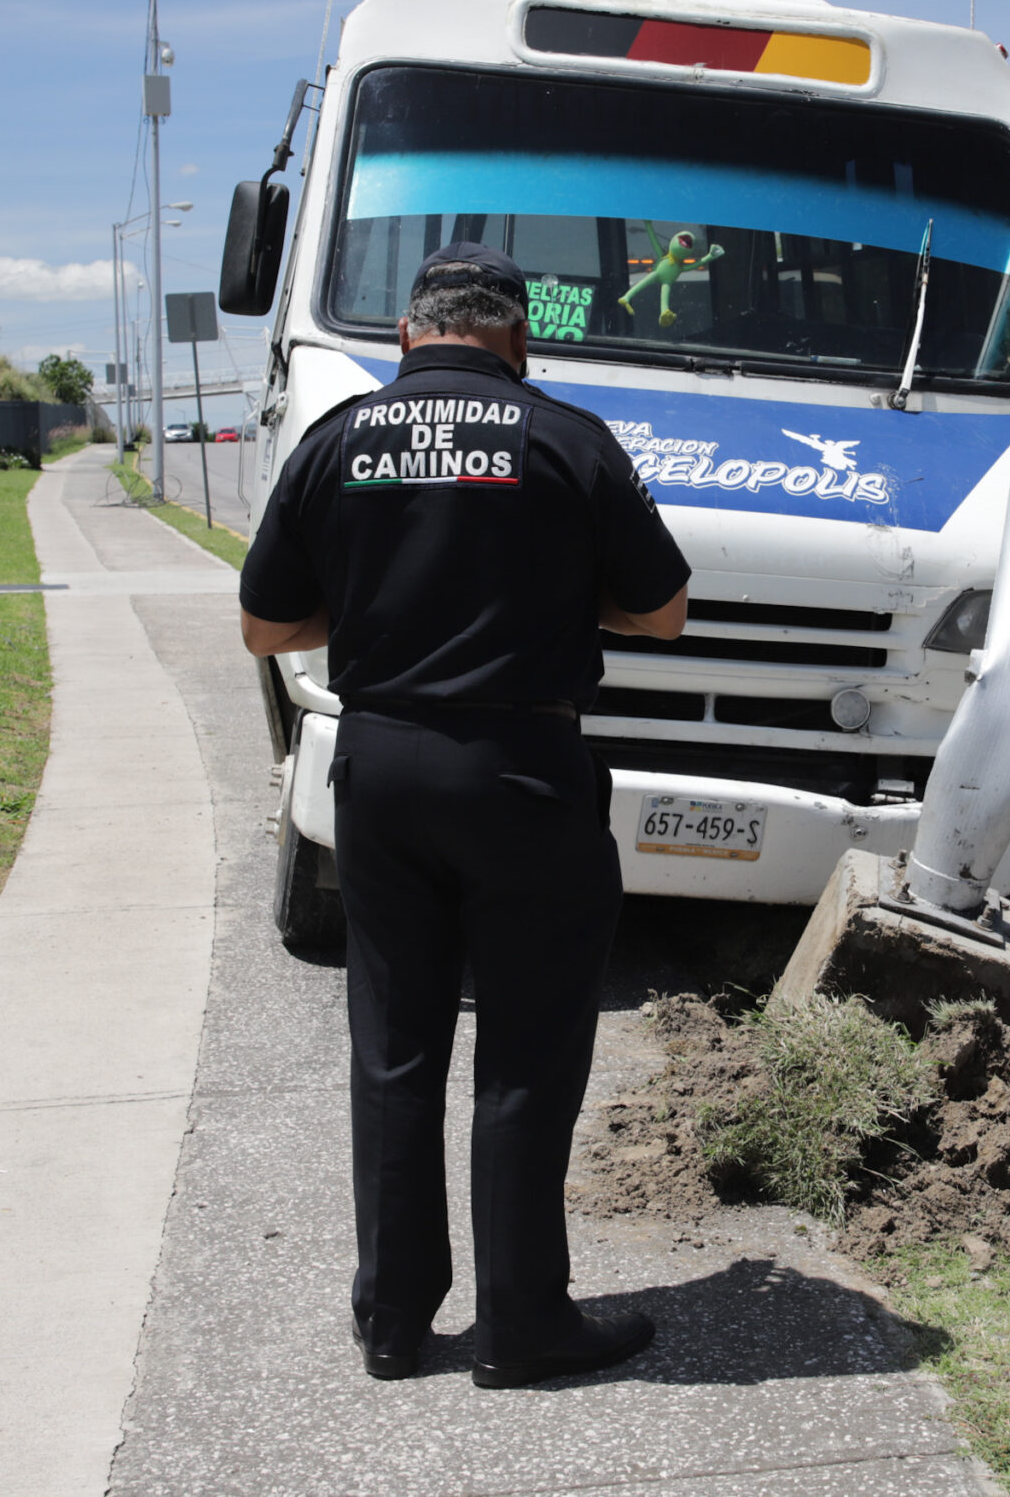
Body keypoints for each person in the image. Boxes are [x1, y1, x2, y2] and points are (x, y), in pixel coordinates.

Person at [237, 242, 691, 1389]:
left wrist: (381, 605)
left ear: (406, 337)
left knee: (393, 1049)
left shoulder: (335, 442)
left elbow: (266, 630)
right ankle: (522, 1323)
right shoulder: (565, 438)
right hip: (523, 769)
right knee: (527, 1052)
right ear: (516, 339)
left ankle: (393, 1318)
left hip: (381, 768)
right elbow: (664, 610)